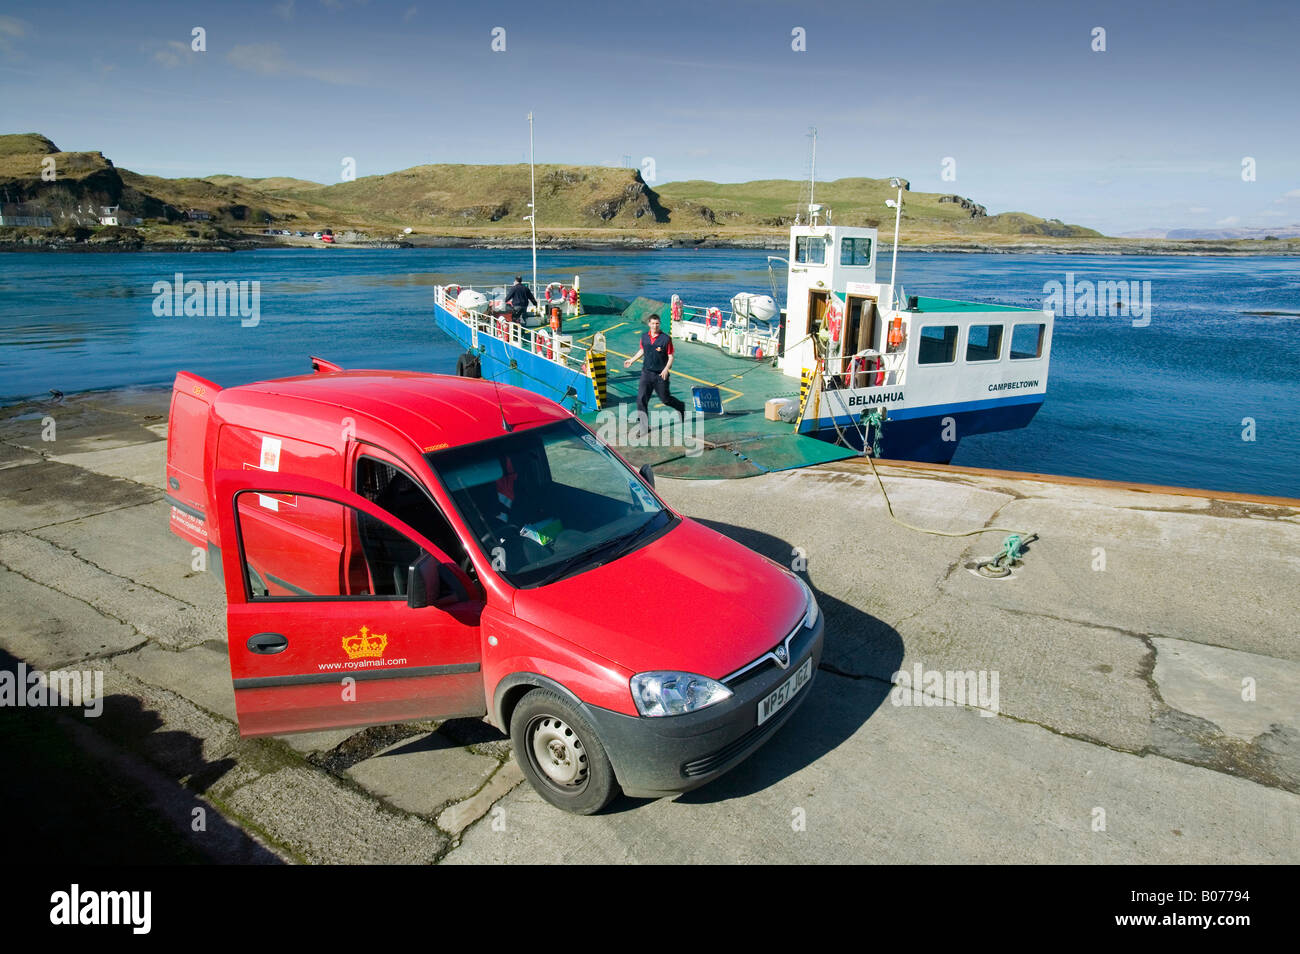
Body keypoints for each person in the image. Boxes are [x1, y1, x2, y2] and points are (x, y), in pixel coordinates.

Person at [624, 313, 686, 432]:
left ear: (659, 324)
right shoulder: (644, 337)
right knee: (641, 399)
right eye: (652, 323)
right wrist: (631, 360)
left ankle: (680, 406)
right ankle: (644, 427)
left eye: (657, 323)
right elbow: (642, 350)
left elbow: (671, 356)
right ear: (649, 324)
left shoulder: (666, 339)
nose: (655, 326)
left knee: (665, 399)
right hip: (646, 373)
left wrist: (666, 369)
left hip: (660, 375)